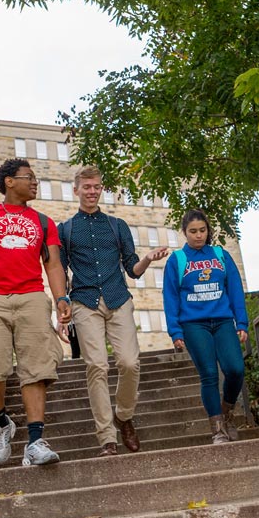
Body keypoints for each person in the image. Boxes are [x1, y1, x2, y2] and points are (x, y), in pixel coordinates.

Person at [0, 158, 72, 467]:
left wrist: (61, 297)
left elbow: (53, 265)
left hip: (31, 296)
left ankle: (35, 442)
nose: (34, 182)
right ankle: (2, 422)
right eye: (28, 177)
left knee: (37, 367)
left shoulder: (44, 222)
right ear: (9, 181)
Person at [58, 166, 169, 457]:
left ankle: (124, 416)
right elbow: (59, 271)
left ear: (101, 189)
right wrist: (61, 307)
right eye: (87, 186)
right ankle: (107, 438)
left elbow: (133, 270)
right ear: (76, 190)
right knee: (96, 366)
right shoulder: (65, 230)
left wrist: (147, 258)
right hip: (85, 302)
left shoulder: (117, 225)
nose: (92, 191)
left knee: (130, 363)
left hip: (118, 298)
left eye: (96, 186)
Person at [162, 209, 249, 445]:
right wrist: (175, 331)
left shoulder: (221, 255)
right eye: (193, 231)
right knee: (209, 374)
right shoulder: (177, 260)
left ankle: (227, 412)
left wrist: (241, 322)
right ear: (184, 232)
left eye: (202, 230)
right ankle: (218, 430)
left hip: (223, 321)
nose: (198, 235)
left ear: (208, 230)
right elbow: (170, 297)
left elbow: (235, 290)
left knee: (235, 369)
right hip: (193, 325)